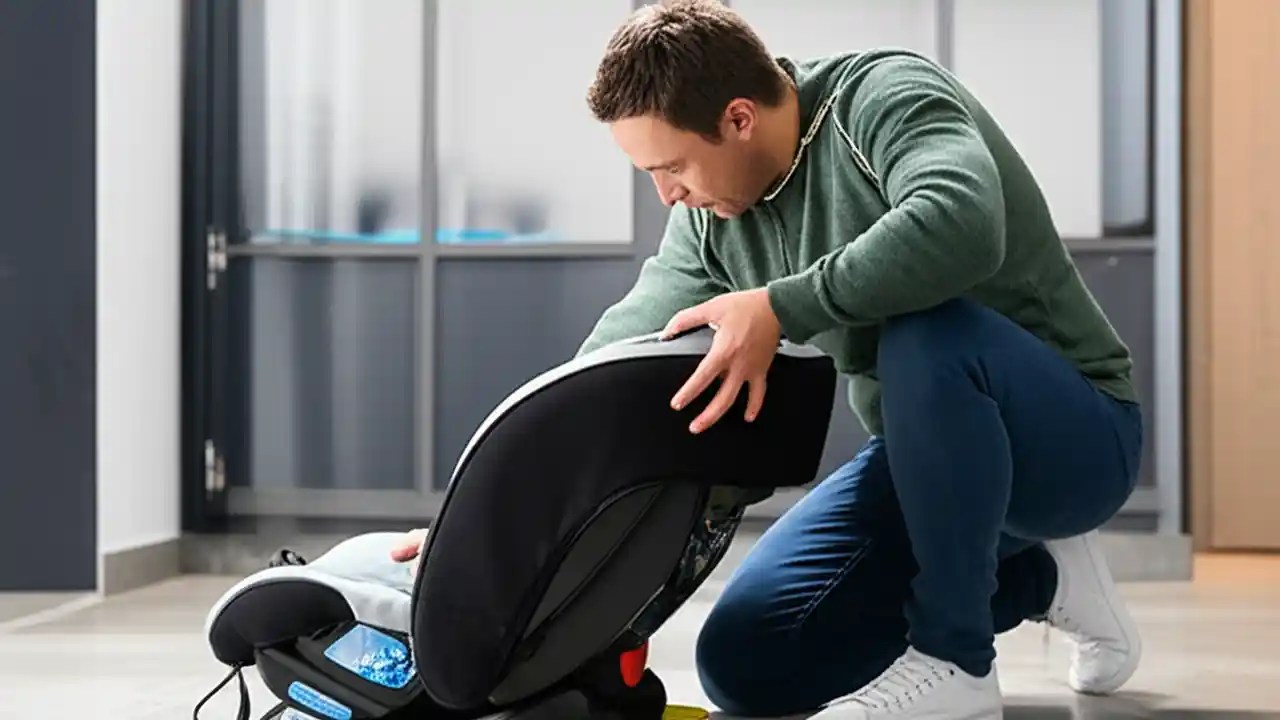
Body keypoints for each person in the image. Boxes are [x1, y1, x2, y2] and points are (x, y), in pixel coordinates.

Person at [393, 1, 1145, 717]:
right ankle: (1042, 578)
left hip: (1075, 442)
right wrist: (490, 516)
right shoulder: (710, 224)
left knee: (926, 333)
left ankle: (956, 663)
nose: (666, 195)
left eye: (672, 166)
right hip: (930, 461)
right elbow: (619, 354)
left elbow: (962, 222)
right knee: (746, 663)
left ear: (738, 119)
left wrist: (781, 306)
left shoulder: (882, 97)